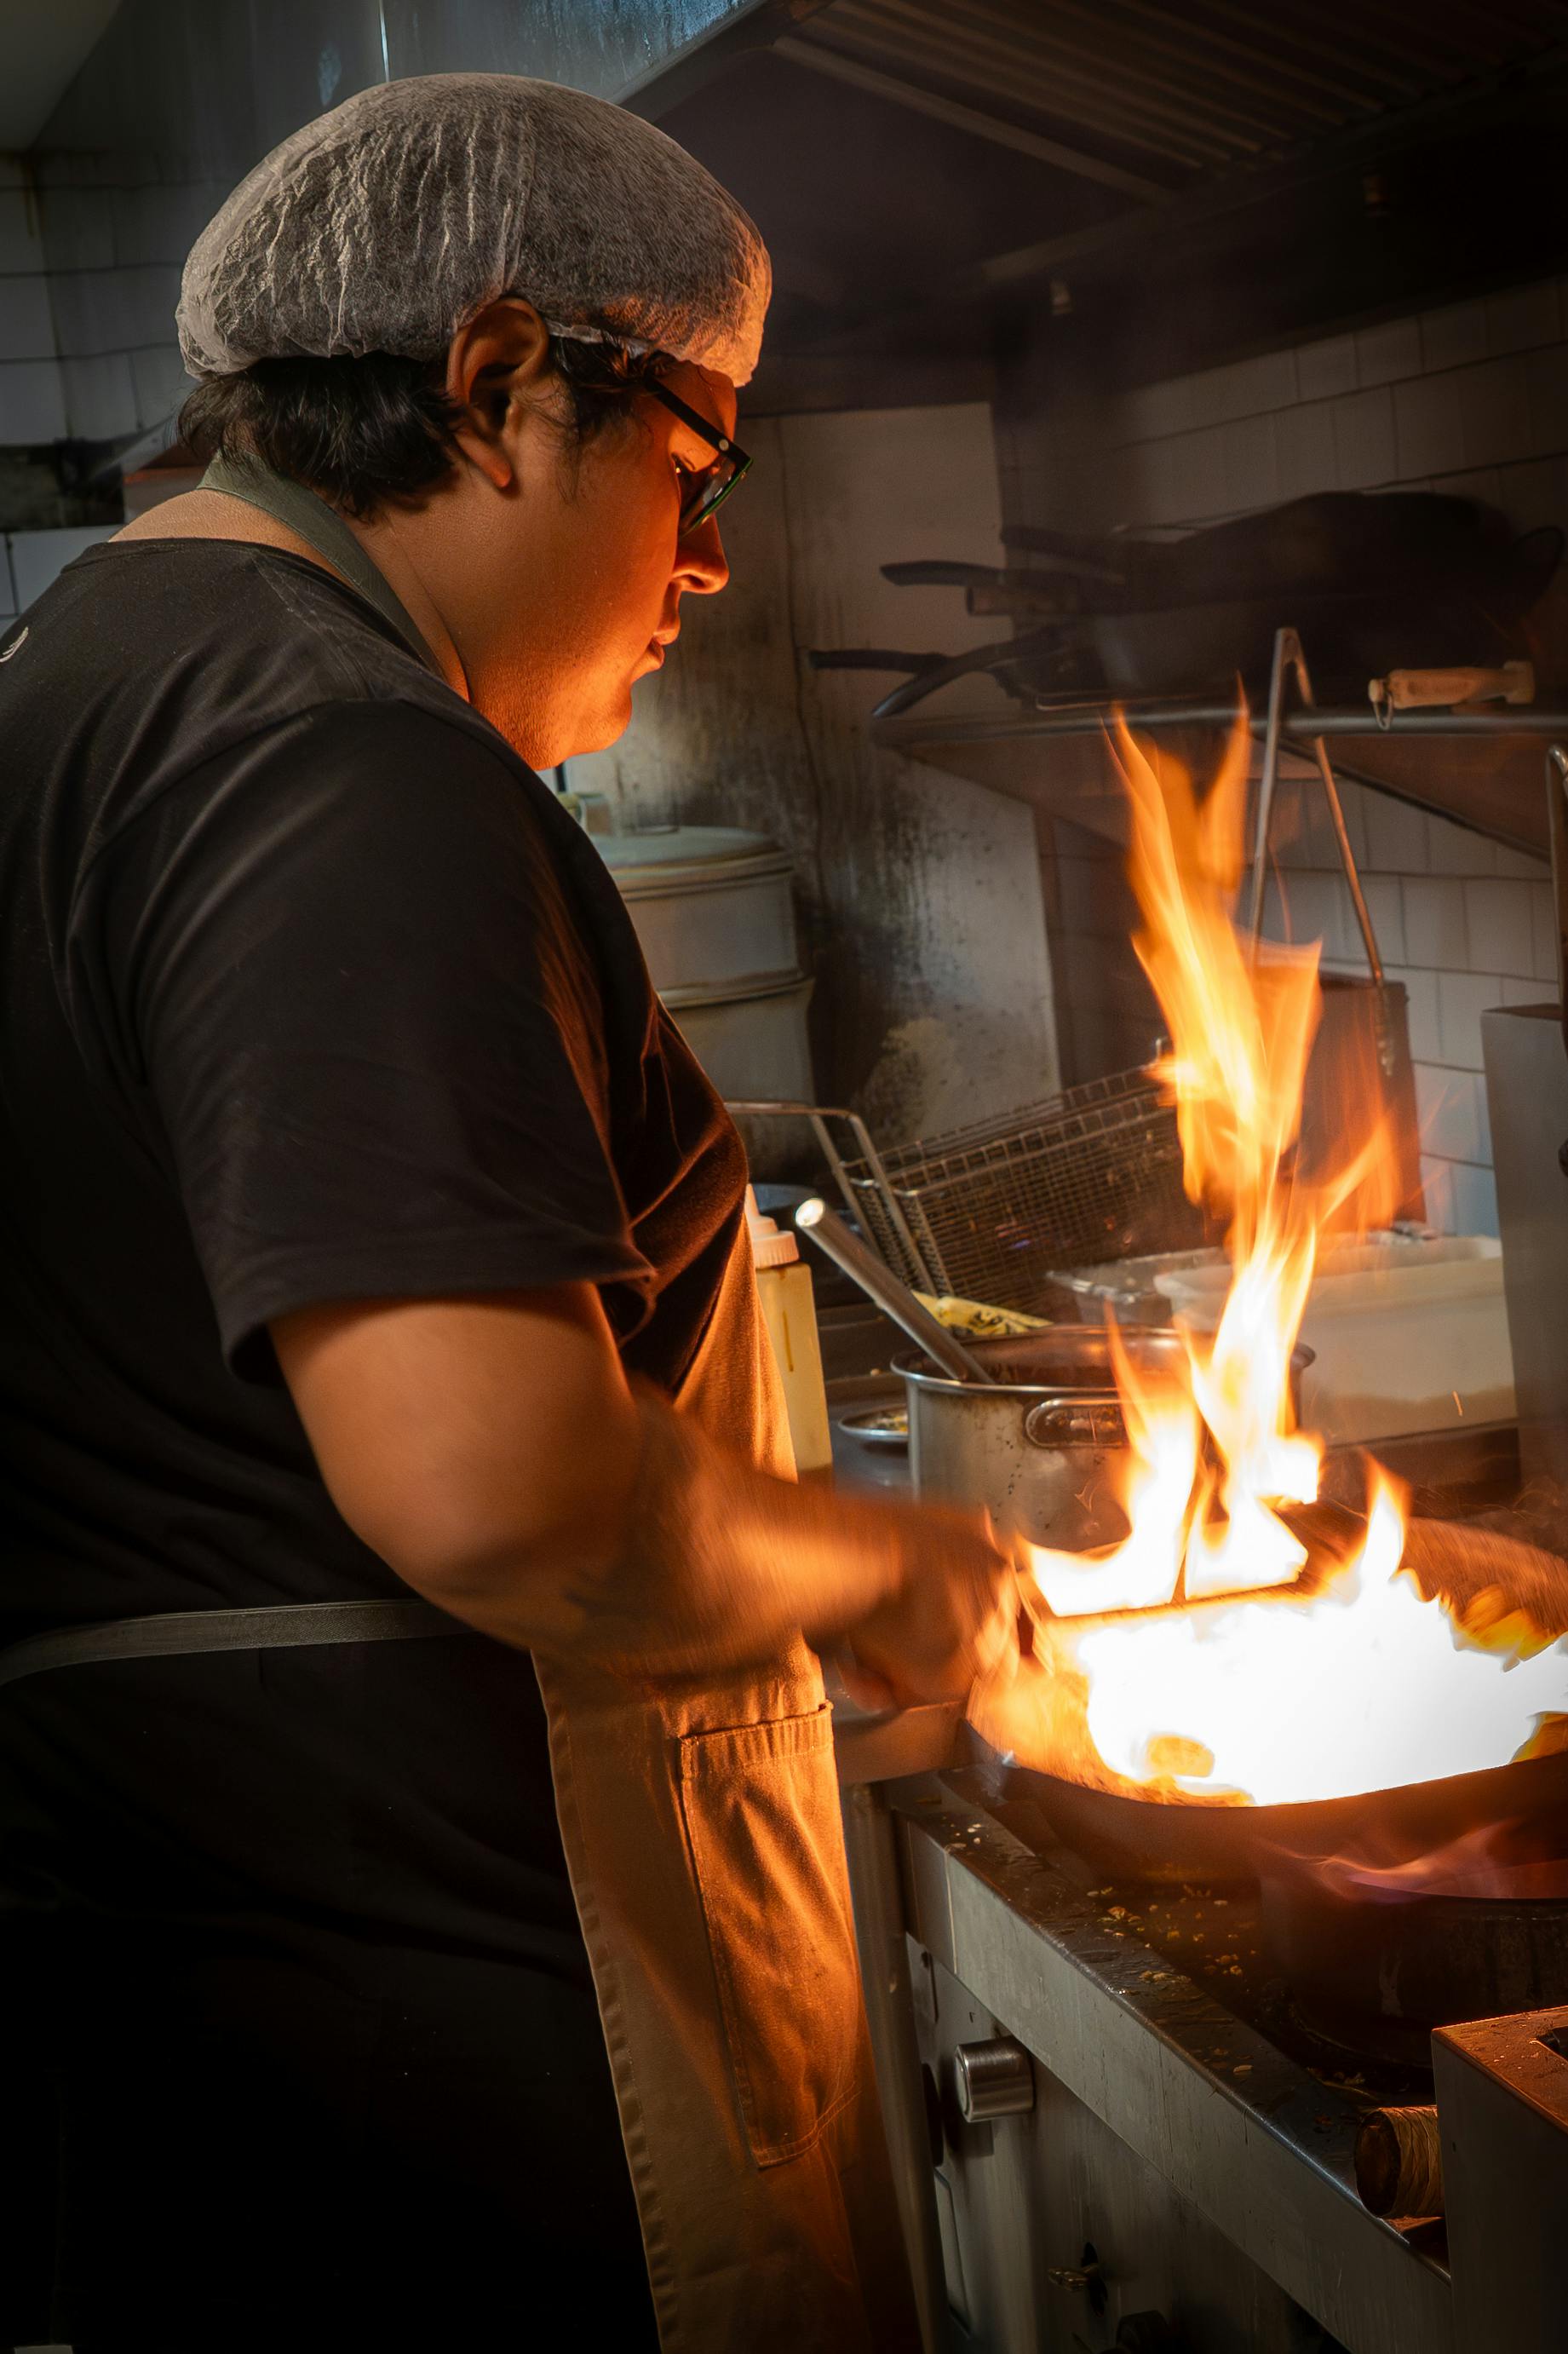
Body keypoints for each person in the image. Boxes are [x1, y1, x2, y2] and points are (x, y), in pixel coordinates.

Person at [0, 73, 1013, 2351]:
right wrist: (887, 1557)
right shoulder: (333, 752)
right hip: (457, 2065)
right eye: (698, 449)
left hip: (223, 2039)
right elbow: (497, 1483)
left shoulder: (82, 685)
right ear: (494, 386)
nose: (714, 551)